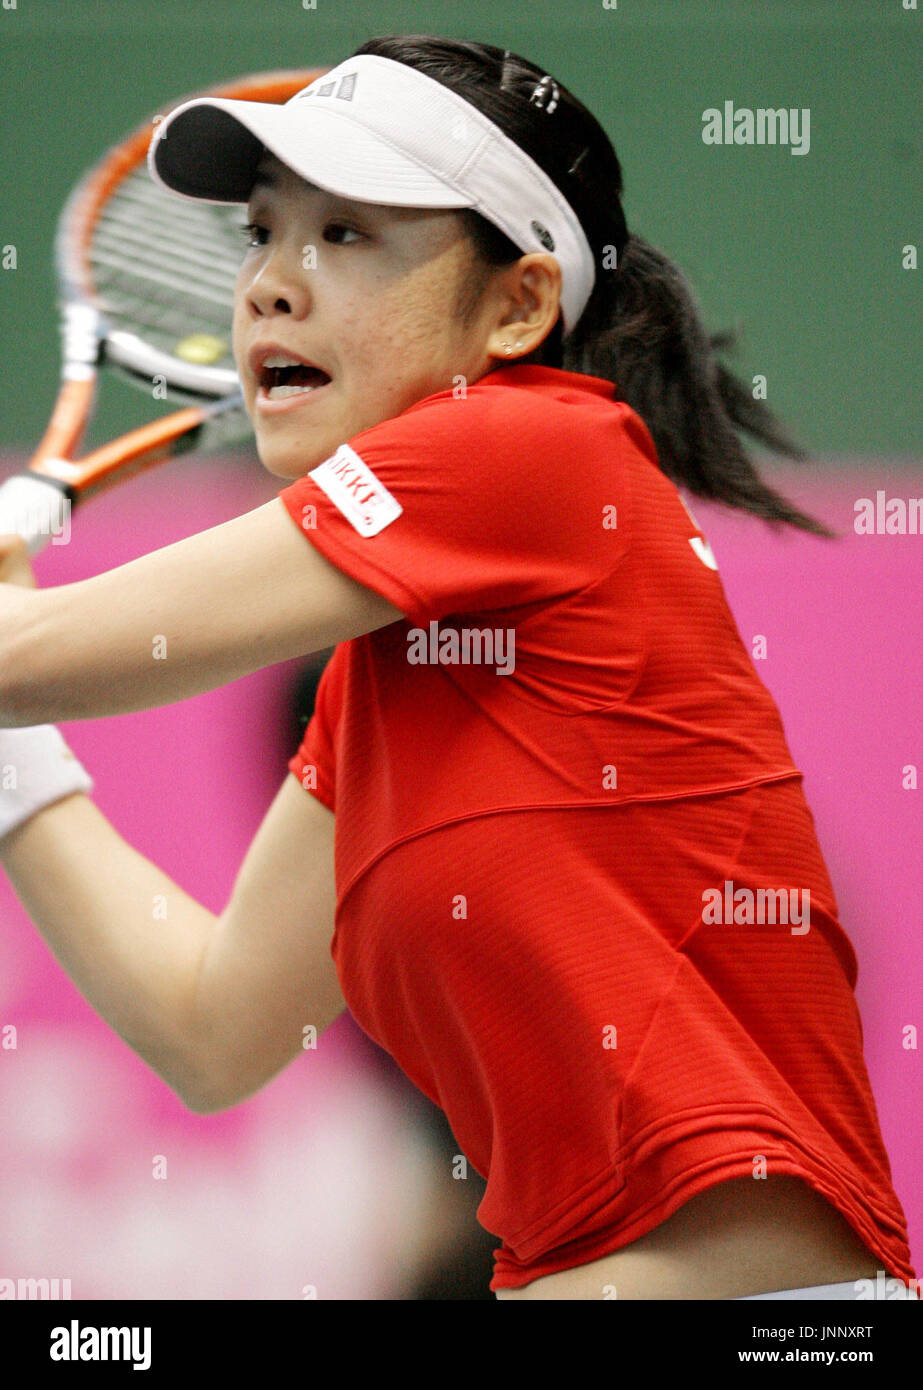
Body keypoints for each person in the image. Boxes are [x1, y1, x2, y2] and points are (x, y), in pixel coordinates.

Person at [0, 35, 916, 1301]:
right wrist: (16, 748)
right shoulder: (379, 689)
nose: (270, 282)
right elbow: (212, 1025)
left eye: (348, 236)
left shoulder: (531, 449)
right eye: (264, 234)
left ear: (518, 307)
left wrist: (17, 652)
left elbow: (31, 654)